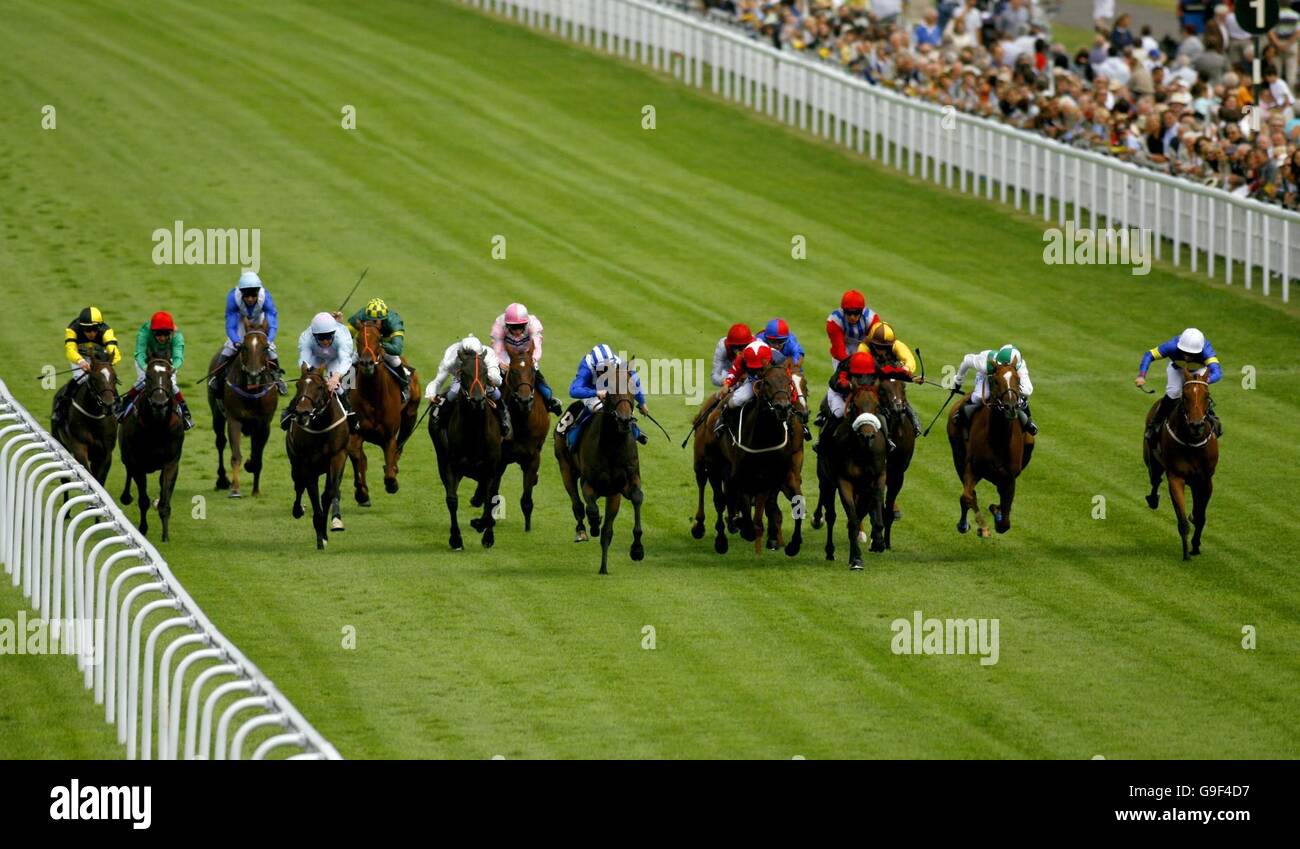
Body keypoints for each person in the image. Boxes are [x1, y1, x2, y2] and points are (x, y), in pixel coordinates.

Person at [1136, 327, 1223, 439]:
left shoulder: (1207, 351)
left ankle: (1212, 420)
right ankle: (1155, 424)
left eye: (1191, 354)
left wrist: (1205, 381)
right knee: (1174, 392)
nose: (1187, 356)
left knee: (1199, 394)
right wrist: (1141, 375)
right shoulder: (1171, 346)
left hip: (1199, 370)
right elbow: (1149, 355)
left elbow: (1217, 372)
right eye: (1184, 352)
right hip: (1177, 369)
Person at [558, 343, 648, 447]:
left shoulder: (618, 363)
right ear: (595, 366)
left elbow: (633, 380)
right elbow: (573, 391)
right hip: (591, 392)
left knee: (624, 406)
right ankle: (575, 434)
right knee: (600, 408)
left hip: (612, 391)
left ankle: (633, 428)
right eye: (603, 370)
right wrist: (595, 392)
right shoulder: (586, 366)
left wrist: (642, 402)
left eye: (609, 369)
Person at [425, 334, 511, 439]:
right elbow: (438, 380)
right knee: (452, 394)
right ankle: (441, 420)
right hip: (462, 378)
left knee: (496, 394)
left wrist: (489, 376)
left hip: (482, 378)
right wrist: (431, 393)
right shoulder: (451, 360)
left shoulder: (488, 355)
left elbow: (498, 381)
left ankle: (503, 420)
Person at [282, 312, 356, 431]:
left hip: (335, 358)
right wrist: (310, 374)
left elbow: (345, 360)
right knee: (308, 383)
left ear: (334, 333)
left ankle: (350, 412)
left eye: (329, 337)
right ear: (314, 335)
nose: (326, 341)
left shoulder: (343, 337)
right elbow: (304, 361)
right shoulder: (306, 338)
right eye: (321, 338)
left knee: (336, 386)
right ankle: (290, 411)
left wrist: (336, 376)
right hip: (316, 358)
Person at [118, 311, 193, 429]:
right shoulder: (144, 332)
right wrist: (146, 368)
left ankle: (185, 412)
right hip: (147, 362)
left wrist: (173, 369)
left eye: (165, 334)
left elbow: (178, 357)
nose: (162, 338)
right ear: (152, 332)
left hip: (168, 363)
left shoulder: (177, 336)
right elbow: (140, 354)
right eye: (158, 334)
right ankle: (124, 406)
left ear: (171, 332)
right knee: (143, 380)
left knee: (172, 384)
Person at [214, 271, 286, 394]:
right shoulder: (233, 298)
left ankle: (277, 377)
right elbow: (230, 326)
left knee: (271, 350)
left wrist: (269, 340)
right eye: (247, 296)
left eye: (253, 296)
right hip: (241, 320)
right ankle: (217, 378)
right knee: (229, 348)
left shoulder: (266, 297)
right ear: (241, 293)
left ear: (258, 293)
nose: (250, 299)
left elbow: (272, 323)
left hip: (260, 319)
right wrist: (236, 341)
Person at [53, 306, 122, 428]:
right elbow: (70, 350)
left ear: (99, 327)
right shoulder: (72, 329)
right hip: (80, 357)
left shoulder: (106, 331)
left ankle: (117, 407)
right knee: (80, 378)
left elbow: (114, 352)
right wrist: (80, 361)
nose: (91, 333)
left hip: (100, 359)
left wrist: (105, 365)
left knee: (106, 379)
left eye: (94, 329)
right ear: (81, 327)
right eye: (87, 330)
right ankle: (60, 408)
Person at [488, 302, 563, 415]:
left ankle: (550, 402)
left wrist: (532, 359)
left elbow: (537, 347)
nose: (517, 331)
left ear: (526, 324)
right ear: (507, 324)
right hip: (507, 353)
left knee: (545, 390)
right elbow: (497, 349)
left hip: (528, 354)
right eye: (513, 327)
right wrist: (501, 363)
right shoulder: (500, 325)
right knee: (495, 379)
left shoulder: (533, 324)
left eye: (520, 327)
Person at [952, 344, 1038, 435]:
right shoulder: (985, 362)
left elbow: (1028, 390)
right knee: (980, 396)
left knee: (1018, 398)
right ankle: (962, 411)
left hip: (1011, 380)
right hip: (986, 375)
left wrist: (1010, 389)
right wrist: (958, 382)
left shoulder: (1020, 366)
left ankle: (1028, 420)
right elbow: (967, 361)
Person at [345, 297, 412, 403]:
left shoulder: (394, 322)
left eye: (375, 321)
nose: (371, 323)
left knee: (395, 360)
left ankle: (404, 387)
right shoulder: (360, 316)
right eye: (369, 320)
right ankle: (345, 390)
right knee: (351, 362)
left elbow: (397, 349)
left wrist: (381, 345)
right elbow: (345, 337)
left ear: (383, 320)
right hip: (366, 346)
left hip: (385, 344)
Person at [865, 322, 924, 434]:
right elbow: (878, 370)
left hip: (891, 380)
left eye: (885, 348)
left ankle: (911, 417)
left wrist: (910, 376)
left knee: (898, 392)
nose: (881, 350)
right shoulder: (864, 348)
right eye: (877, 347)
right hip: (870, 381)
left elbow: (909, 362)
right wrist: (905, 375)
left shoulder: (897, 346)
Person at [826, 289, 881, 368]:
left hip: (864, 347)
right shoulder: (834, 322)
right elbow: (839, 350)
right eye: (849, 312)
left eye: (856, 313)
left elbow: (878, 344)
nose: (852, 317)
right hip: (843, 349)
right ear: (843, 310)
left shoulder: (872, 319)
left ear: (862, 310)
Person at [711, 323, 754, 387]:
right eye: (736, 347)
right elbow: (715, 377)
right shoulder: (722, 347)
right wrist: (729, 381)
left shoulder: (756, 345)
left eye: (743, 346)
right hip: (729, 371)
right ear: (730, 345)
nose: (740, 351)